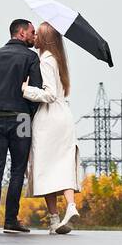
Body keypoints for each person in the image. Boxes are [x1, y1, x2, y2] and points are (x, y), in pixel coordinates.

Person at [0, 19, 42, 234]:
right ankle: (11, 219)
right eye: (32, 32)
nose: (34, 36)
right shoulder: (31, 57)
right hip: (21, 119)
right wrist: (28, 114)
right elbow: (37, 90)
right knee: (17, 169)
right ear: (21, 33)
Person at [21, 22, 81, 233]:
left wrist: (26, 90)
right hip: (64, 117)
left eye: (38, 33)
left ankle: (54, 219)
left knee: (46, 167)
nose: (34, 36)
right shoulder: (59, 60)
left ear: (45, 38)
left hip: (48, 118)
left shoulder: (45, 60)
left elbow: (49, 94)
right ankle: (70, 206)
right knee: (63, 165)